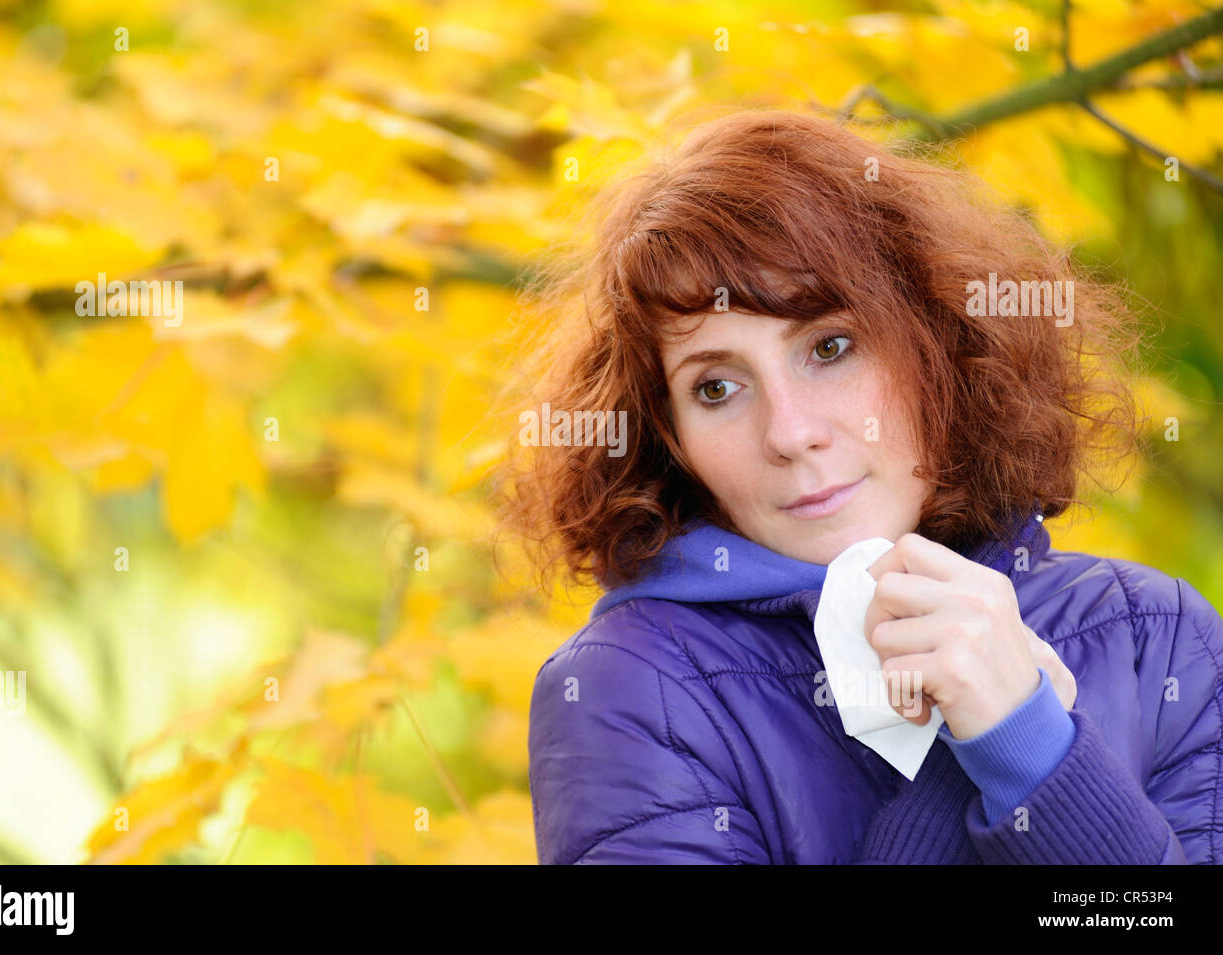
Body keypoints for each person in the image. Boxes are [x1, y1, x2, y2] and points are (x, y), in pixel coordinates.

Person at [493, 108, 1223, 864]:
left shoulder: (1156, 638)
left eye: (829, 346)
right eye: (716, 387)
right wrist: (970, 759)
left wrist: (1034, 746)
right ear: (671, 437)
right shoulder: (630, 691)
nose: (789, 431)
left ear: (932, 339)